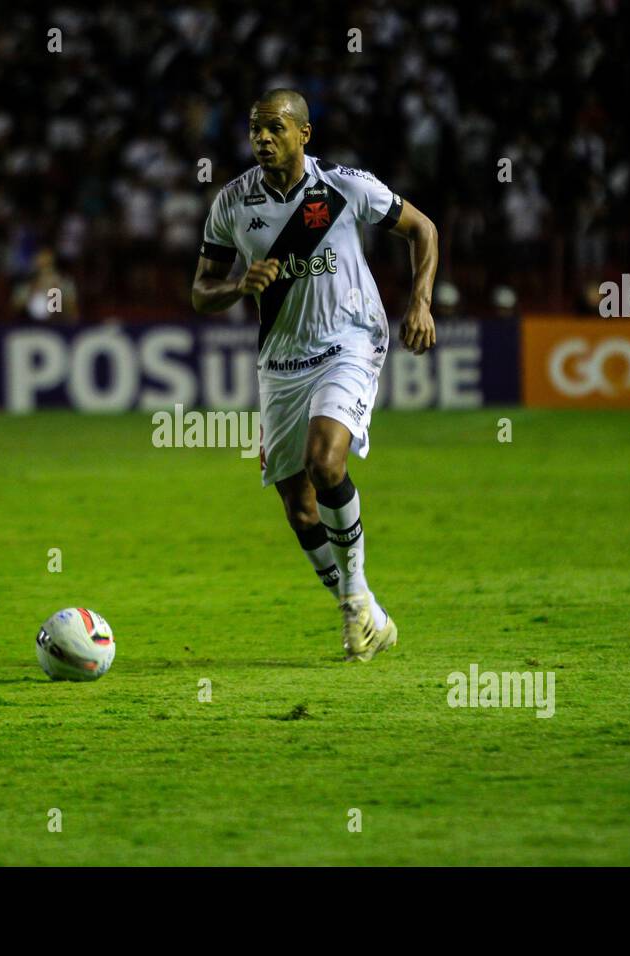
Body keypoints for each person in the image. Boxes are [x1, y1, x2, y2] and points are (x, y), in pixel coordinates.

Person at [191, 89, 438, 662]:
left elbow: (423, 229)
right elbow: (201, 291)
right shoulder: (231, 204)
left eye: (275, 128)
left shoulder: (345, 187)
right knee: (298, 506)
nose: (262, 138)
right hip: (281, 360)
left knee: (326, 461)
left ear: (305, 134)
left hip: (348, 341)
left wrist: (420, 302)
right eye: (255, 129)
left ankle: (353, 602)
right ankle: (369, 610)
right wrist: (237, 286)